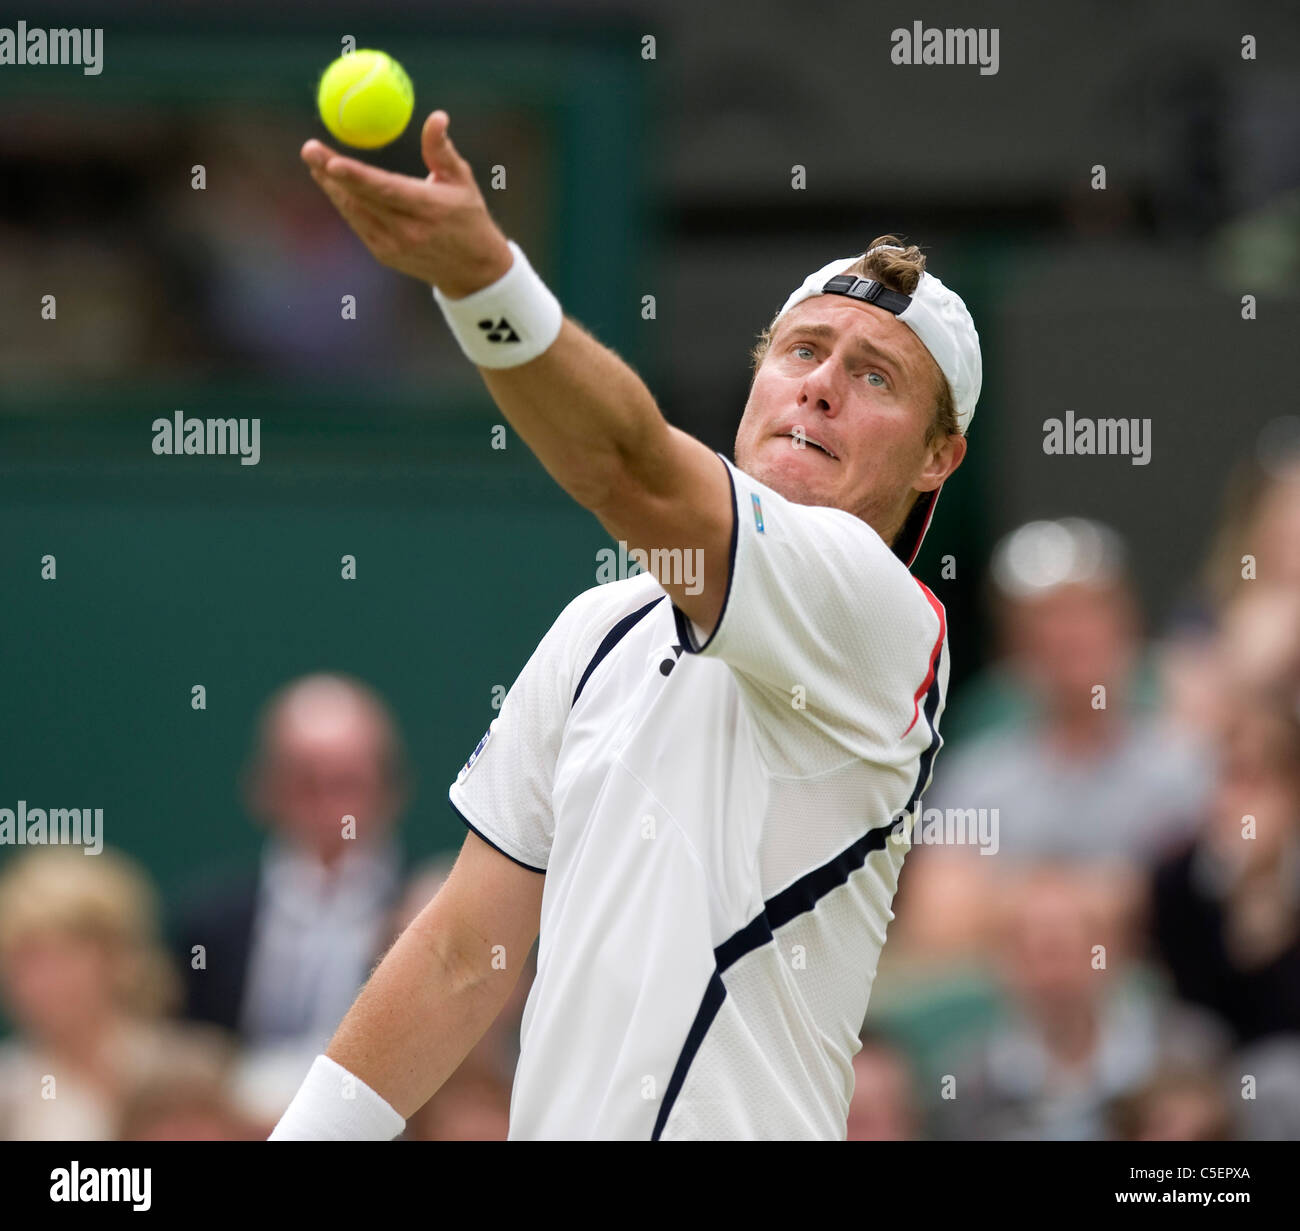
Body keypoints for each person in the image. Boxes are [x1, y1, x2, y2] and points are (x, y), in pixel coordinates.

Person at [272, 109, 977, 1141]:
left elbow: (626, 466)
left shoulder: (878, 615)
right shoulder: (599, 625)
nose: (820, 386)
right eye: (802, 350)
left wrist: (484, 284)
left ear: (934, 460)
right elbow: (467, 952)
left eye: (874, 376)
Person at [171, 673, 411, 1123]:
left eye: (346, 782)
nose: (326, 805)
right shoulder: (210, 921)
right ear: (264, 788)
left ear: (389, 789)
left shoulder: (429, 909)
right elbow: (188, 1051)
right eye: (304, 781)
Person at [0, 847, 231, 1140]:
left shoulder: (199, 1067)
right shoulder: (7, 1096)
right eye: (24, 961)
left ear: (115, 956)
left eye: (65, 955)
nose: (44, 981)